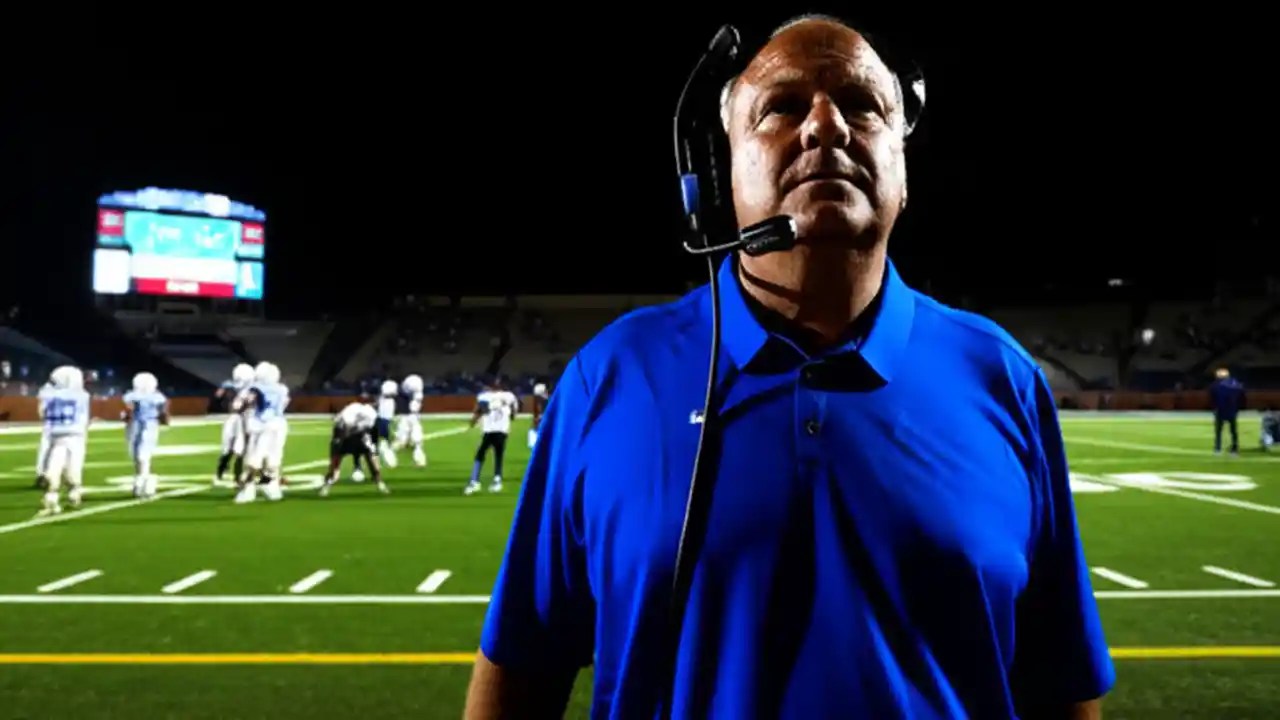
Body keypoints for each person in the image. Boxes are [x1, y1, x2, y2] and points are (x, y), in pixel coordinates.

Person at [465, 15, 1114, 720]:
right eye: (782, 106)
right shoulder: (610, 377)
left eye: (864, 105)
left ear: (903, 163)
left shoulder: (1003, 379)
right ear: (720, 171)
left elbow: (1059, 687)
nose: (827, 125)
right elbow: (522, 671)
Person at [1209, 367, 1245, 454]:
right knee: (1233, 430)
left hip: (1221, 409)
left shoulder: (1215, 385)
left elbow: (1212, 397)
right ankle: (1234, 447)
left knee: (1219, 430)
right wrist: (1239, 407)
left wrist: (1213, 408)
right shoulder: (1236, 384)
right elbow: (1242, 396)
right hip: (1232, 409)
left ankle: (1218, 448)